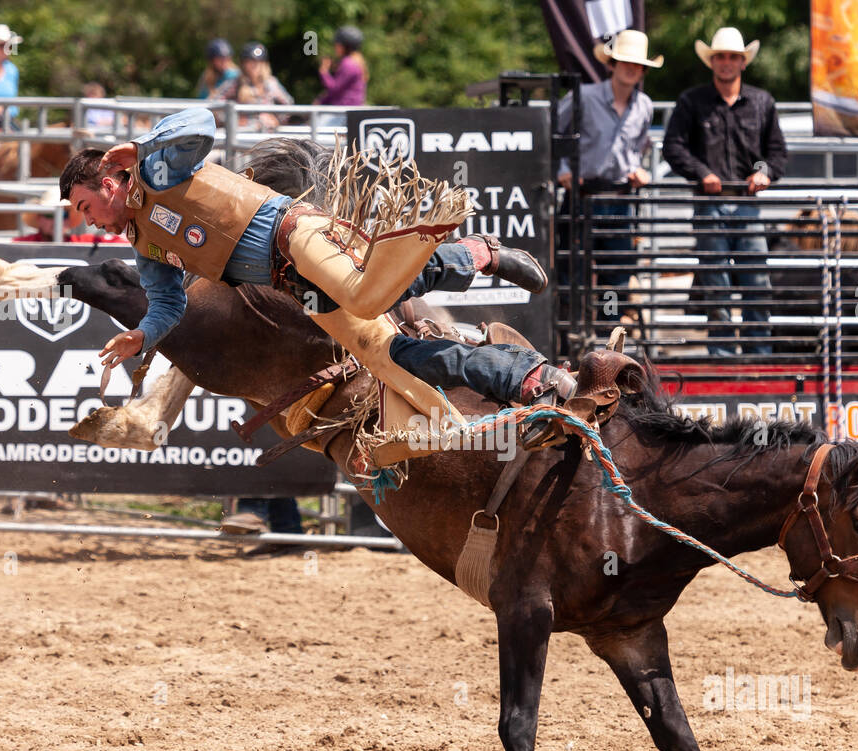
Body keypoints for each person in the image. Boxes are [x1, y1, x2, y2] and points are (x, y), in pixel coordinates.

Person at [57, 107, 569, 449]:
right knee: (389, 356)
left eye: (85, 206)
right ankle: (523, 377)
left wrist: (141, 144)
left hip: (300, 236)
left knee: (366, 296)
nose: (88, 220)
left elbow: (201, 123)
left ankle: (470, 254)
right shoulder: (145, 245)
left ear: (107, 183)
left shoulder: (157, 172)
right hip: (297, 284)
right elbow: (169, 305)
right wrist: (142, 334)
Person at [662, 27, 787, 356]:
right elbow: (673, 146)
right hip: (710, 203)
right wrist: (702, 173)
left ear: (743, 62)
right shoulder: (693, 102)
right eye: (721, 56)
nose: (727, 62)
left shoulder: (762, 103)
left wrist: (764, 173)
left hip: (745, 202)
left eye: (733, 56)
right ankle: (724, 355)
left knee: (756, 282)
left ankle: (758, 353)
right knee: (718, 283)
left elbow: (777, 154)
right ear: (712, 61)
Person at [554, 29, 659, 329]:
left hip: (620, 198)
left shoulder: (645, 106)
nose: (630, 68)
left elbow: (638, 146)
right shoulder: (583, 97)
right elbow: (554, 135)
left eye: (637, 64)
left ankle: (607, 331)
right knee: (573, 268)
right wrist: (562, 169)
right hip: (582, 194)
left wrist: (639, 169)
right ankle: (572, 335)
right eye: (625, 61)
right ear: (611, 64)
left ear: (642, 70)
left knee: (617, 269)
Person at [13, 186, 125, 243]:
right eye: (50, 215)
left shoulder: (79, 242)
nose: (58, 221)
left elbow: (122, 242)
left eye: (64, 215)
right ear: (39, 218)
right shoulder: (22, 244)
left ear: (69, 219)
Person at [314, 25, 367, 129]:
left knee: (315, 131)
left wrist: (324, 72)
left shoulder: (349, 64)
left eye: (337, 44)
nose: (335, 47)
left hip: (342, 111)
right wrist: (322, 101)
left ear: (345, 46)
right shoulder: (356, 62)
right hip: (347, 110)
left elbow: (334, 89)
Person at [237, 42, 294, 132]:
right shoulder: (237, 82)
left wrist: (277, 119)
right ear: (244, 64)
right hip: (243, 134)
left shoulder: (271, 83)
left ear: (264, 64)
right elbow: (218, 102)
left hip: (267, 134)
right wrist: (233, 119)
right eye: (249, 61)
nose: (254, 65)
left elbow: (289, 104)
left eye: (258, 62)